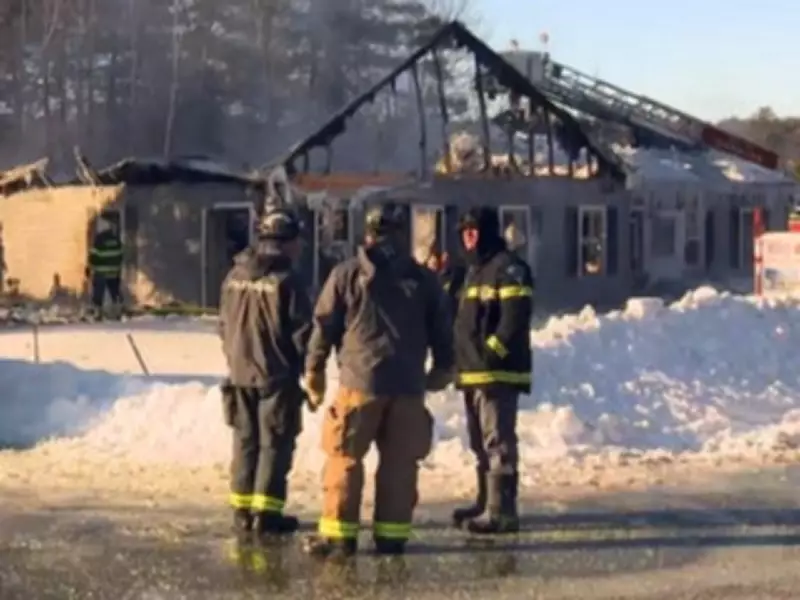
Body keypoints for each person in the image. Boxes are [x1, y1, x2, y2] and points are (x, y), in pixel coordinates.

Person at [301, 203, 454, 560]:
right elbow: (443, 332)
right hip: (408, 388)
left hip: (360, 385)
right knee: (400, 465)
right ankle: (391, 537)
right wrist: (443, 368)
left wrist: (314, 369)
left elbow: (323, 326)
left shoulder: (347, 275)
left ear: (367, 233)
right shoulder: (423, 280)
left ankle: (339, 537)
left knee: (344, 459)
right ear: (401, 234)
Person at [218, 207, 313, 539]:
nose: (300, 247)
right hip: (276, 376)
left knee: (244, 442)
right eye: (297, 241)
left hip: (239, 373)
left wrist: (234, 358)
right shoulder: (290, 281)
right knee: (274, 444)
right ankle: (266, 513)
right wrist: (307, 370)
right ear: (285, 242)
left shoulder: (234, 275)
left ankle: (241, 510)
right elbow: (303, 334)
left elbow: (223, 324)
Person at [450, 207, 534, 534]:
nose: (469, 238)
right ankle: (485, 501)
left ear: (487, 232)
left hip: (497, 374)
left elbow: (514, 319)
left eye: (474, 231)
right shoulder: (474, 271)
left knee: (498, 440)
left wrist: (493, 353)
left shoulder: (509, 268)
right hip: (472, 373)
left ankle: (502, 511)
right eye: (465, 232)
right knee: (479, 442)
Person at [88, 218, 123, 317]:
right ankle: (117, 310)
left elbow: (93, 256)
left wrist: (90, 267)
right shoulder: (116, 239)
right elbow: (121, 255)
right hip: (114, 272)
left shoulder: (99, 240)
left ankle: (98, 311)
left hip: (101, 272)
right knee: (114, 291)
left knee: (98, 291)